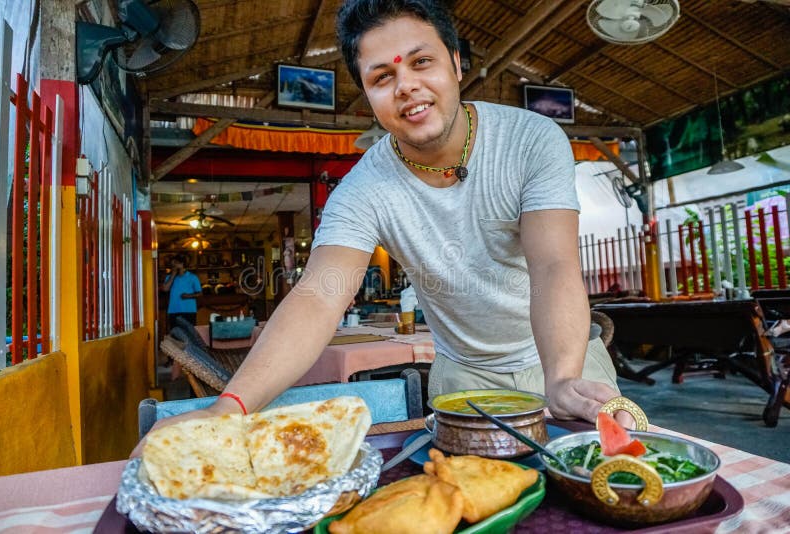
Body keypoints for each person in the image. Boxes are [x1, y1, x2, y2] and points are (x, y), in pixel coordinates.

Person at [134, 0, 625, 455]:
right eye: (382, 76)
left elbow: (553, 264)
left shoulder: (531, 139)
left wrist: (562, 377)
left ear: (455, 64)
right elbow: (318, 296)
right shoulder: (364, 187)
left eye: (421, 62)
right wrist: (231, 405)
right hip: (462, 381)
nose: (406, 85)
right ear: (368, 94)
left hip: (566, 363)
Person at [161, 254, 202, 330]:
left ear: (182, 264)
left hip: (189, 311)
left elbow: (200, 293)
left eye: (175, 263)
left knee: (190, 335)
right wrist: (173, 274)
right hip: (173, 311)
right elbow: (165, 289)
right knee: (175, 336)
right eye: (172, 263)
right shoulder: (169, 277)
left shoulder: (192, 277)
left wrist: (188, 296)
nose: (173, 265)